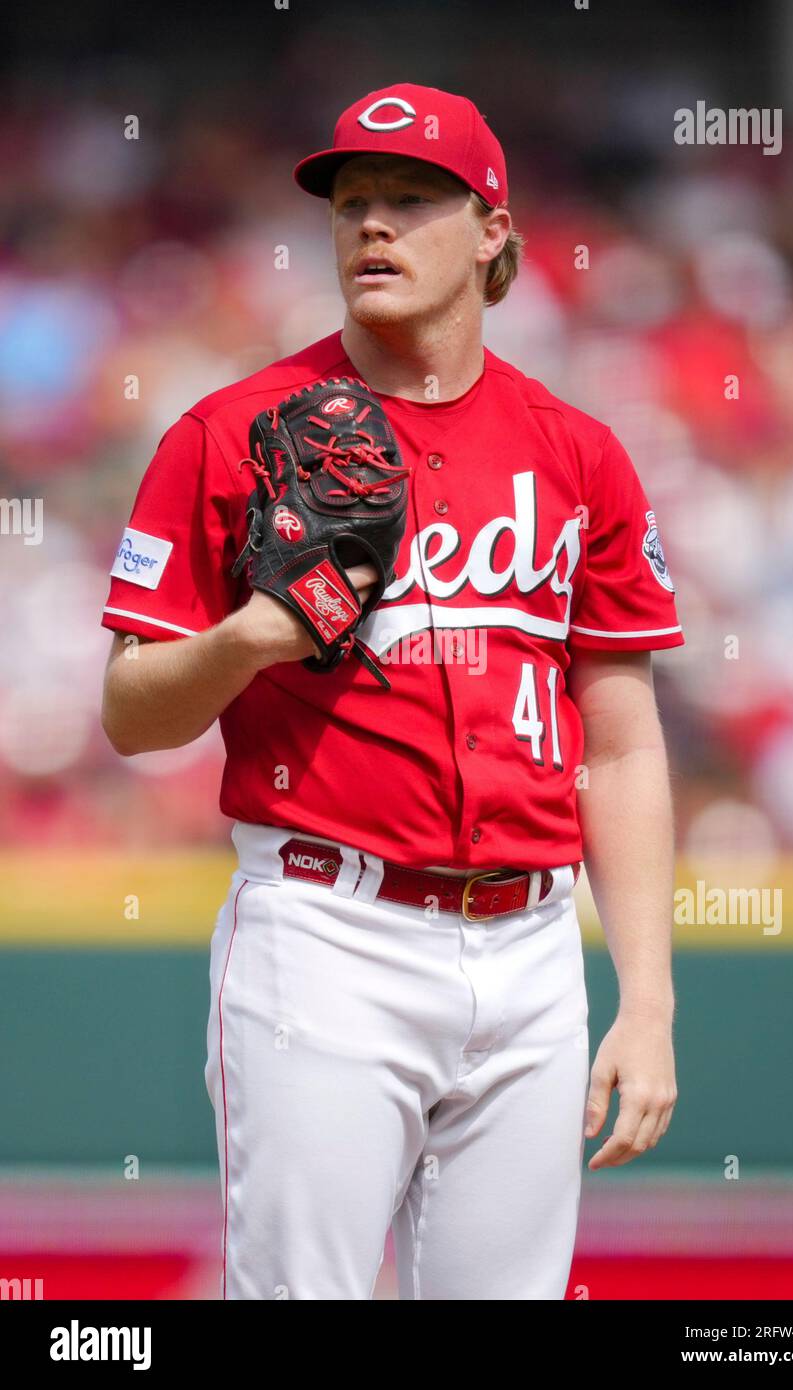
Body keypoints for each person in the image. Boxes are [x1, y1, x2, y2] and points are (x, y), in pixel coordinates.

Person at [100, 82, 683, 1301]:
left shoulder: (575, 451)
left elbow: (619, 749)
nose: (371, 225)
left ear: (490, 232)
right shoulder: (232, 432)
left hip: (531, 949)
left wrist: (648, 999)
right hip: (326, 933)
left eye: (411, 199)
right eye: (350, 203)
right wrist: (251, 638)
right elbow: (132, 712)